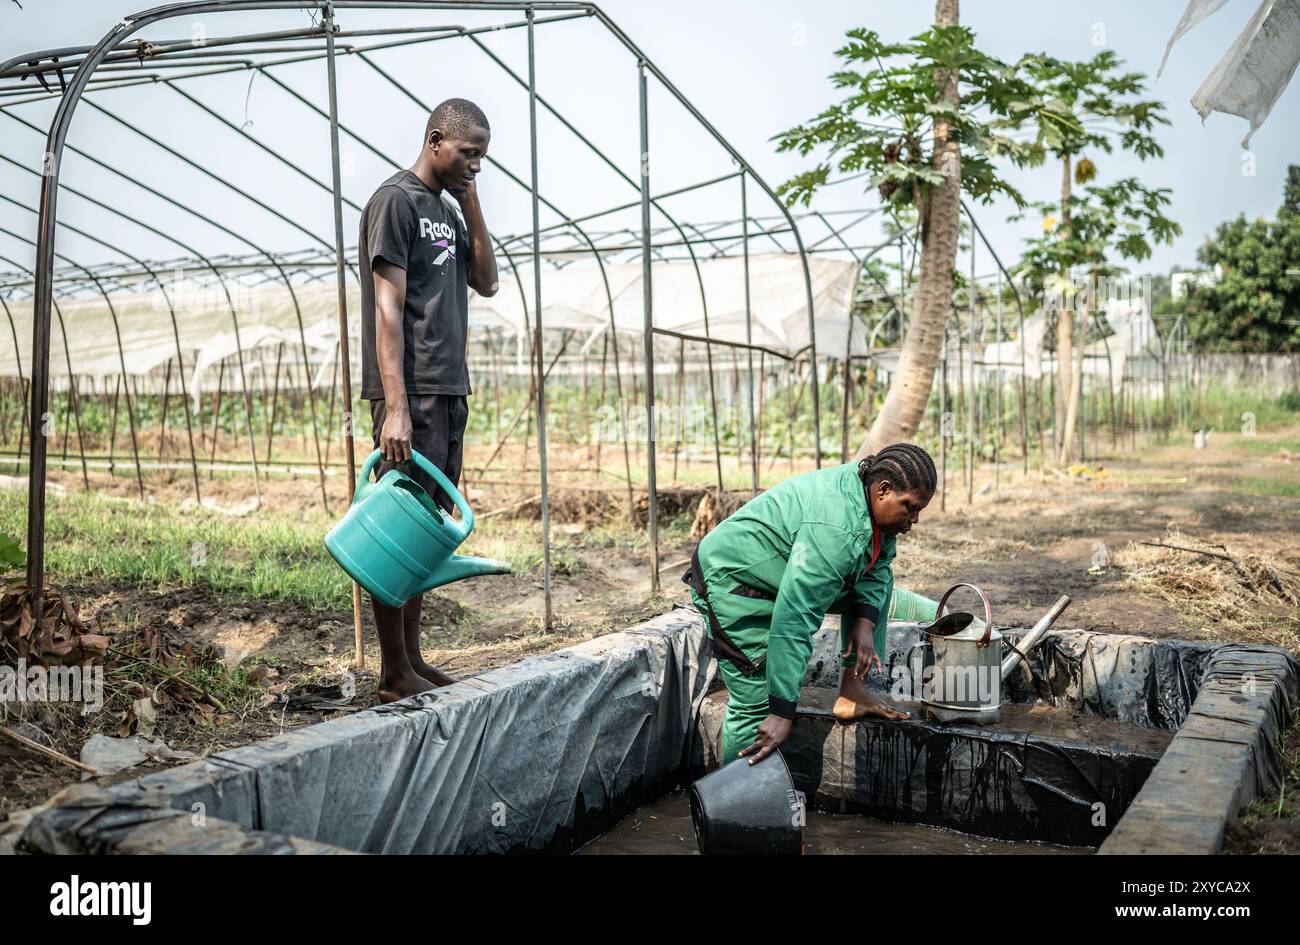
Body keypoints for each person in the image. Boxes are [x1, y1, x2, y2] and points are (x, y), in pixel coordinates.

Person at [358, 98, 498, 702]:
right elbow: (387, 308)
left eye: (482, 159)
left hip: (448, 388)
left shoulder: (447, 208)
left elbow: (487, 281)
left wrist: (468, 199)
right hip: (408, 392)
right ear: (436, 139)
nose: (474, 165)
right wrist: (394, 408)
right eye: (468, 154)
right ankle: (392, 672)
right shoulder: (394, 201)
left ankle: (412, 658)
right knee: (398, 524)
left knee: (430, 526)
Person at [684, 442, 936, 764]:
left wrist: (865, 622)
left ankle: (852, 691)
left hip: (778, 573)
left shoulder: (868, 498)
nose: (914, 520)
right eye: (910, 507)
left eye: (919, 511)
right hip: (734, 581)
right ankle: (735, 801)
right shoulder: (835, 530)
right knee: (754, 702)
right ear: (884, 490)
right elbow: (794, 619)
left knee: (879, 589)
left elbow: (879, 566)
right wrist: (782, 712)